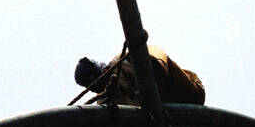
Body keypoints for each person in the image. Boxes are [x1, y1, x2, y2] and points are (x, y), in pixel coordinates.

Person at [74, 45, 206, 107]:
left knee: (136, 55)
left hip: (187, 91)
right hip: (163, 119)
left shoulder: (120, 63)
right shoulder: (105, 102)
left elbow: (157, 66)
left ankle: (151, 67)